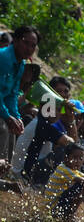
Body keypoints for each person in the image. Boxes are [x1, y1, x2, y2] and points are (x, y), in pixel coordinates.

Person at [0, 25, 40, 175]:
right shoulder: (3, 58)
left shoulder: (21, 64)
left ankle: (5, 172)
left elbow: (11, 94)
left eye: (33, 45)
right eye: (25, 42)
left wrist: (16, 117)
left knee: (13, 130)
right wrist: (7, 116)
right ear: (15, 41)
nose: (29, 48)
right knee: (3, 127)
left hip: (1, 106)